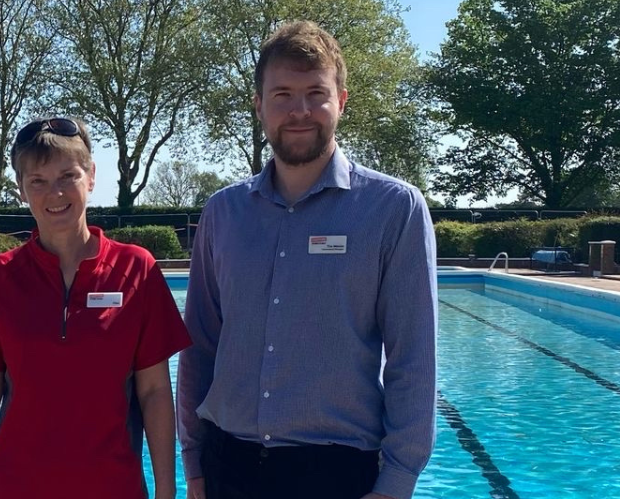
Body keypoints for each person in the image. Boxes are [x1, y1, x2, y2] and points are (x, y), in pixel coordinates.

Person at [177, 20, 438, 499]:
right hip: (227, 464)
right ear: (259, 106)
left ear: (341, 100)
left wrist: (396, 484)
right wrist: (194, 464)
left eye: (315, 93)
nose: (299, 111)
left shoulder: (392, 208)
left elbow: (413, 358)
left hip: (337, 472)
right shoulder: (224, 212)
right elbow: (199, 345)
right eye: (282, 94)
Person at [0, 116, 190, 499]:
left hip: (114, 487)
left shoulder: (136, 270)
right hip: (14, 488)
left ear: (91, 176)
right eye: (38, 182)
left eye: (67, 177)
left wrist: (166, 491)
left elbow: (156, 391)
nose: (54, 193)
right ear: (22, 190)